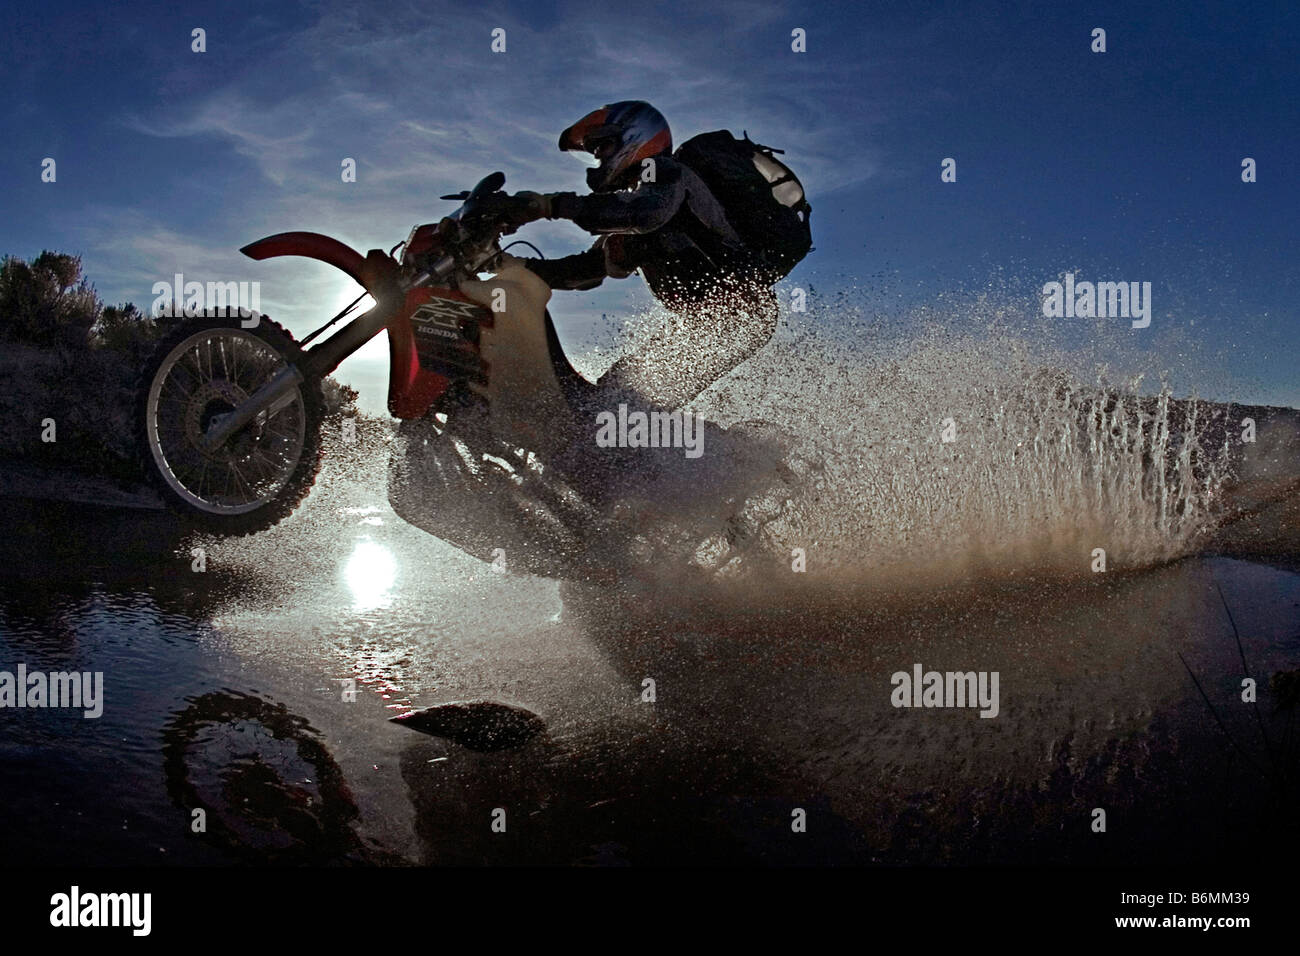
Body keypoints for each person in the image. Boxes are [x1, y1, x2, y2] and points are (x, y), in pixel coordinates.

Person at [491, 101, 779, 413]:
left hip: (739, 316)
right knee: (608, 400)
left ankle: (698, 459)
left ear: (638, 137)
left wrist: (550, 206)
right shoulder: (636, 205)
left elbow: (643, 214)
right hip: (711, 321)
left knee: (614, 407)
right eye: (594, 151)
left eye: (603, 146)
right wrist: (515, 266)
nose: (599, 157)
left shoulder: (669, 176)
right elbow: (588, 270)